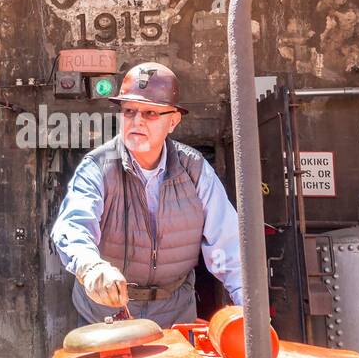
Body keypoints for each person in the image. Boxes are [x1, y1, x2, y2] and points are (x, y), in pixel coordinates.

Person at [51, 62, 244, 328]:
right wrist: (92, 267)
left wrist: (249, 308)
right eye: (129, 111)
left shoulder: (195, 170)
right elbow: (73, 226)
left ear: (173, 121)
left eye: (151, 113)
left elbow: (229, 245)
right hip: (107, 315)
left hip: (175, 315)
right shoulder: (98, 167)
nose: (137, 121)